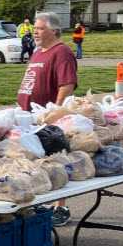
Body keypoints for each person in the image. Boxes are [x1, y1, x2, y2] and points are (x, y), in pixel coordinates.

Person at [16, 12, 79, 227]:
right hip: (29, 116)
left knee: (55, 161)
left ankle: (60, 207)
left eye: (40, 28)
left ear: (54, 30)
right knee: (34, 161)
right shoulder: (37, 52)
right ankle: (41, 201)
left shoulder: (61, 52)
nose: (36, 32)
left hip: (48, 118)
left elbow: (67, 84)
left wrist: (55, 111)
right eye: (35, 28)